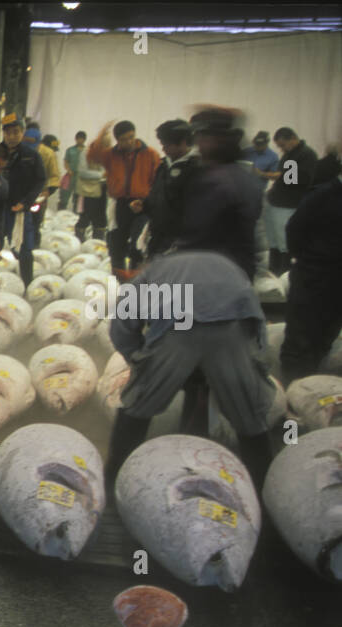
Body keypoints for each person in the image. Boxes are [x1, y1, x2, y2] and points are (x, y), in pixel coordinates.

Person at [103, 250, 274, 492]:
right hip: (232, 330)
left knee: (138, 402)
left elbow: (121, 326)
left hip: (178, 331)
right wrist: (255, 371)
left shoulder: (151, 272)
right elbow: (257, 323)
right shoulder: (227, 263)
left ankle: (113, 477)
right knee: (250, 416)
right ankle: (266, 486)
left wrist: (138, 361)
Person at [174, 107, 263, 280]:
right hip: (239, 274)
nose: (198, 145)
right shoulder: (244, 177)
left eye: (202, 138)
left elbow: (195, 239)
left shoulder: (215, 181)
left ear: (217, 140)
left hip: (212, 277)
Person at [281, 168, 342, 384]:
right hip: (312, 278)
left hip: (335, 282)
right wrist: (309, 260)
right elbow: (294, 229)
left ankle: (311, 390)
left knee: (324, 339)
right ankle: (293, 398)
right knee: (300, 341)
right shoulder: (321, 196)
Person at [87, 119, 161, 275]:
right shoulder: (111, 155)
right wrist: (101, 136)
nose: (128, 142)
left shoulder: (150, 154)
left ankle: (136, 282)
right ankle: (120, 280)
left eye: (131, 137)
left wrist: (150, 202)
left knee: (137, 245)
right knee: (116, 244)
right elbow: (92, 156)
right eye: (123, 139)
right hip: (119, 204)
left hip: (142, 205)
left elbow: (158, 180)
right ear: (117, 140)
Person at [140, 120, 201, 259]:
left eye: (167, 144)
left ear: (183, 142)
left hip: (178, 241)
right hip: (157, 235)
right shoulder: (163, 165)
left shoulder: (196, 169)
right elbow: (157, 195)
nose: (163, 149)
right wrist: (145, 205)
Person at [263, 127, 318, 276]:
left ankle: (283, 271)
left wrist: (272, 175)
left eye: (283, 145)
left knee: (284, 240)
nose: (281, 149)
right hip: (275, 201)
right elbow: (285, 176)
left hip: (288, 204)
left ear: (293, 138)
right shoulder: (289, 154)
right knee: (273, 239)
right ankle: (274, 268)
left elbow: (291, 180)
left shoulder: (305, 154)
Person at [0, 115, 44, 286]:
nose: (12, 136)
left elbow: (40, 180)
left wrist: (26, 202)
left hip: (20, 210)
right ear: (3, 133)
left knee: (25, 250)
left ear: (22, 133)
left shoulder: (31, 156)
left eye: (16, 132)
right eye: (8, 132)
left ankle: (27, 284)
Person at [75, 147, 107, 241]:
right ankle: (79, 243)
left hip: (102, 188)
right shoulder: (85, 153)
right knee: (85, 216)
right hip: (87, 190)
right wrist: (101, 175)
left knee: (100, 219)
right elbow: (83, 173)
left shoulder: (108, 154)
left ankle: (96, 245)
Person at [61, 131, 86, 210]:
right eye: (78, 139)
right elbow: (66, 161)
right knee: (64, 195)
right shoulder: (70, 150)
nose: (80, 140)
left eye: (82, 139)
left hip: (81, 177)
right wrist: (68, 170)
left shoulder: (87, 151)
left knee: (77, 197)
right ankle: (61, 211)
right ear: (76, 139)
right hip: (70, 175)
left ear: (84, 140)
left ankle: (75, 215)